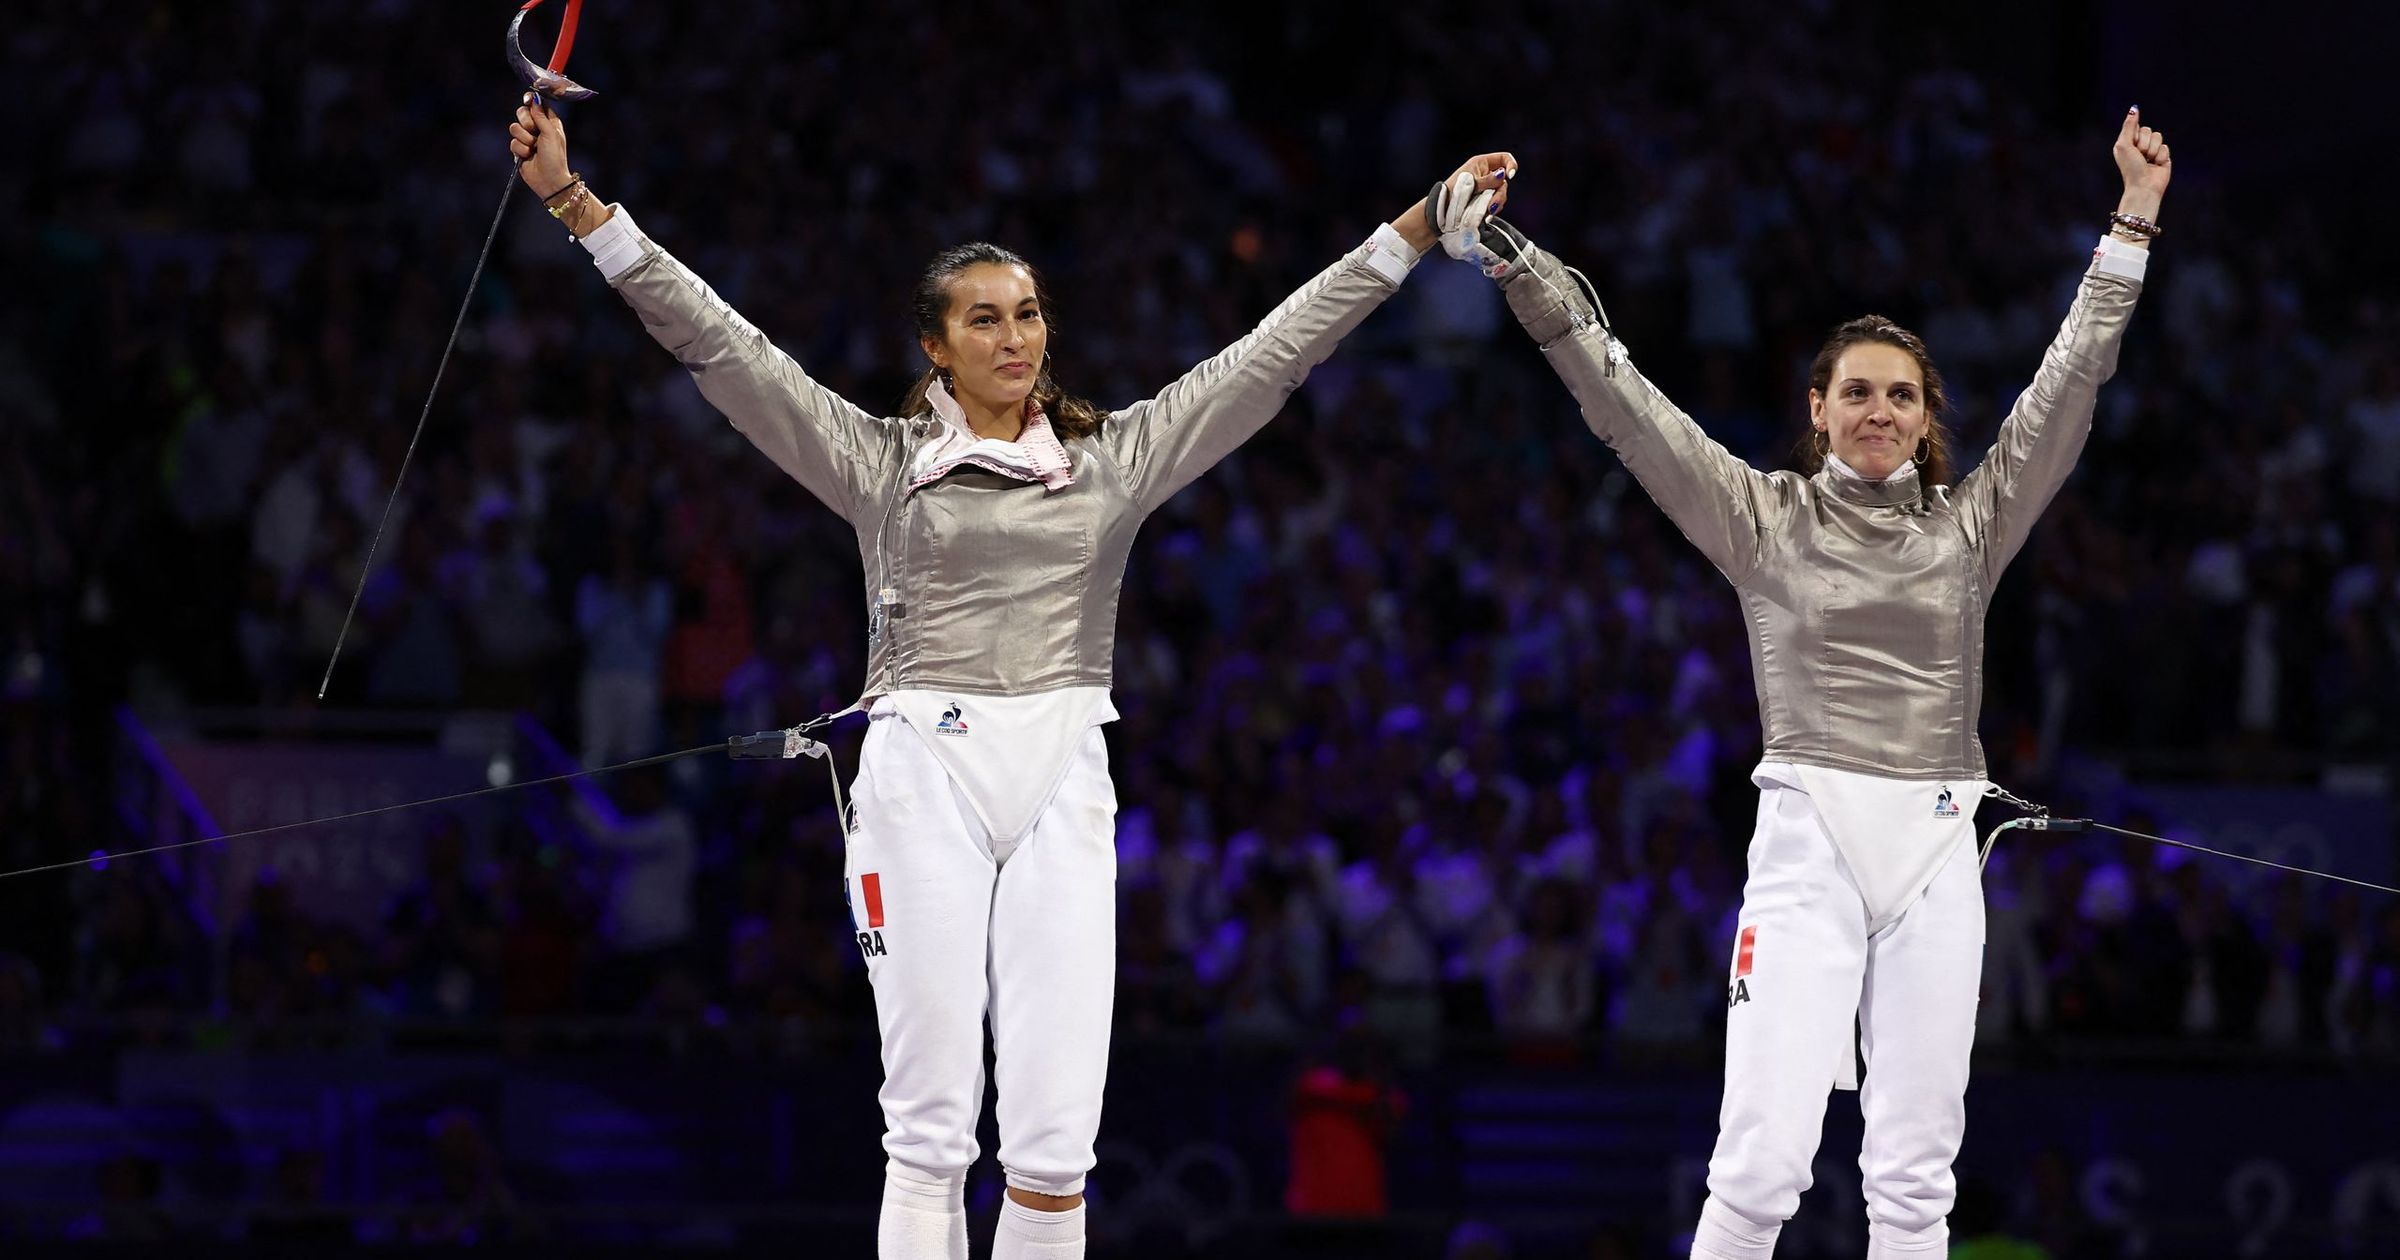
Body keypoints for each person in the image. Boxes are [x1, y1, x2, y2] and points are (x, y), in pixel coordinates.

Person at [509, 93, 1513, 1260]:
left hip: (1063, 782)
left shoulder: (1112, 462)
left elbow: (1273, 354)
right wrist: (577, 205)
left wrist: (1412, 228)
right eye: (984, 320)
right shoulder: (878, 465)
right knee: (931, 1134)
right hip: (920, 780)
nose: (1016, 338)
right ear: (934, 346)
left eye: (1028, 314)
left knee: (1052, 1147)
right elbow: (720, 347)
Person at [1480, 110, 2170, 1258]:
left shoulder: (1971, 528)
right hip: (1808, 844)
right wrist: (1520, 266)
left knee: (1915, 1177)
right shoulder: (1765, 519)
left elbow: (2069, 383)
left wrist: (2133, 220)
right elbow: (1623, 402)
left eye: (1902, 395)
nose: (1880, 412)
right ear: (1816, 410)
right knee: (1758, 1167)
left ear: (1927, 417)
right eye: (1856, 391)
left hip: (1939, 846)